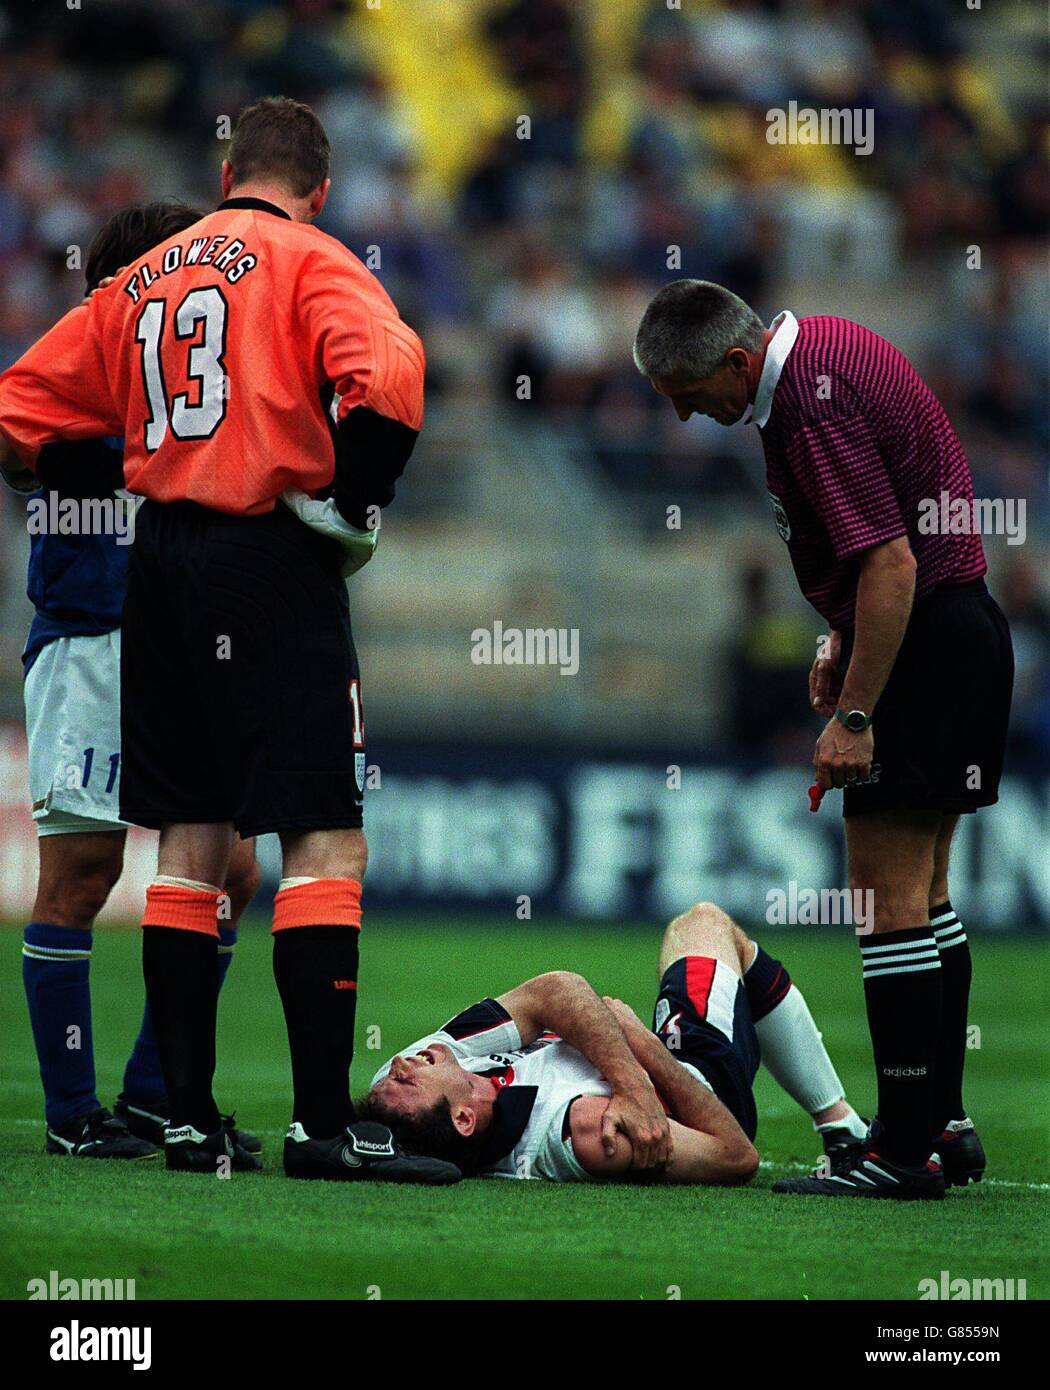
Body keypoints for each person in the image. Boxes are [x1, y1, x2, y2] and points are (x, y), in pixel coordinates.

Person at [0, 97, 456, 1185]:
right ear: (321, 188)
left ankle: (191, 1126)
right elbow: (391, 379)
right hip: (265, 562)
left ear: (224, 173)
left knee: (192, 844)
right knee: (321, 839)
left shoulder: (145, 275)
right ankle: (318, 1129)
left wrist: (128, 470)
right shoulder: (306, 254)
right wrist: (354, 499)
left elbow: (20, 412)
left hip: (157, 566)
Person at [632, 280, 1014, 1198]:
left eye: (687, 391)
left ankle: (901, 1152)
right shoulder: (829, 353)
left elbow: (890, 561)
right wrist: (840, 638)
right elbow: (892, 528)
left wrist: (855, 714)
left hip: (926, 641)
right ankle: (943, 1124)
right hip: (960, 630)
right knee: (924, 891)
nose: (686, 414)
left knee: (884, 900)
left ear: (735, 360)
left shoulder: (806, 405)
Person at [5, 201, 261, 1165]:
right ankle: (73, 1114)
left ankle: (155, 1094)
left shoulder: (202, 375)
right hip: (92, 643)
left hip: (184, 645)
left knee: (232, 873)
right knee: (83, 876)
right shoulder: (75, 370)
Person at [359, 900, 869, 1184]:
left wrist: (631, 1084)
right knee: (706, 923)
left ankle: (842, 1124)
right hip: (699, 1086)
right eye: (410, 1080)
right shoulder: (578, 1132)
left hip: (638, 1070)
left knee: (704, 934)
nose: (403, 1063)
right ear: (464, 1119)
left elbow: (557, 990)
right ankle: (839, 1124)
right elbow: (736, 1155)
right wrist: (640, 1049)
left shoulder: (443, 1066)